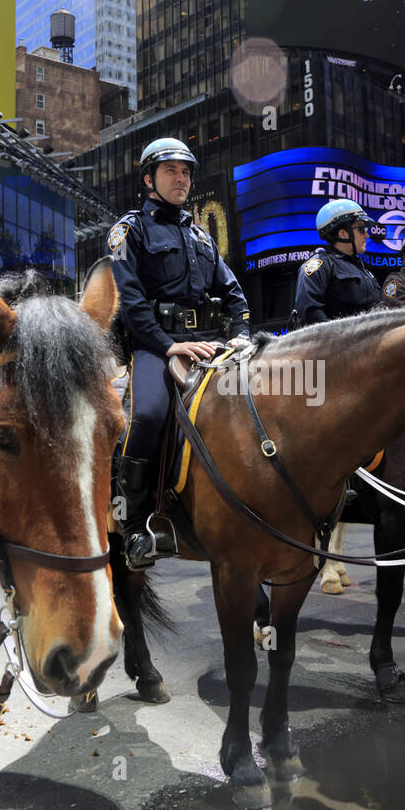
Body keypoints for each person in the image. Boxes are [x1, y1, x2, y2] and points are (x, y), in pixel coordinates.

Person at [110, 137, 251, 570]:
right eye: (171, 171)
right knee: (149, 412)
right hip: (155, 347)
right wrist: (168, 344)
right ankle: (133, 523)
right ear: (150, 178)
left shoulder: (201, 237)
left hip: (208, 344)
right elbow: (128, 300)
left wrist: (242, 333)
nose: (182, 178)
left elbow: (232, 292)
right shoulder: (130, 230)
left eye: (186, 172)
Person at [293, 199, 383, 326]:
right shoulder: (320, 266)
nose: (367, 235)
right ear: (343, 234)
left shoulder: (364, 270)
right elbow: (310, 315)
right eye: (362, 229)